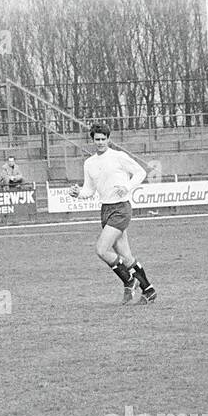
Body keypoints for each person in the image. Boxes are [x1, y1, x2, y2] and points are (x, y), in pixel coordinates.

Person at [69, 122, 157, 305]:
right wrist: (79, 193)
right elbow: (89, 190)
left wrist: (127, 187)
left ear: (109, 139)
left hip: (121, 208)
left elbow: (140, 172)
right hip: (106, 209)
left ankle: (129, 281)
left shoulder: (118, 157)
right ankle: (149, 291)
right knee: (126, 257)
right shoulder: (89, 163)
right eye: (97, 139)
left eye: (103, 139)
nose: (100, 142)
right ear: (92, 140)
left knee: (101, 249)